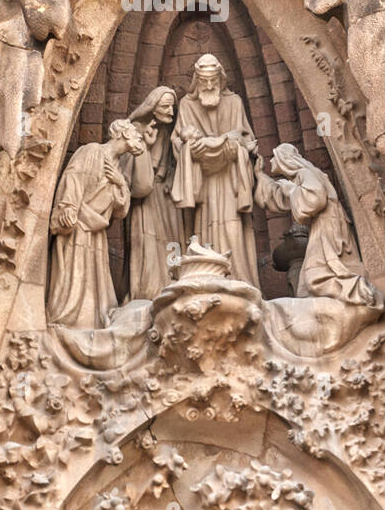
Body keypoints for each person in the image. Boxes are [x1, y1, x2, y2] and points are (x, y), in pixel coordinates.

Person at [171, 54, 259, 286]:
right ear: (196, 82)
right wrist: (190, 147)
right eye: (204, 82)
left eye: (213, 81)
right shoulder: (187, 105)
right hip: (203, 183)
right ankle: (207, 276)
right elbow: (177, 143)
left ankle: (239, 279)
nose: (209, 86)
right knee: (203, 231)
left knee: (233, 230)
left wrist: (237, 146)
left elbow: (247, 140)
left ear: (221, 79)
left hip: (230, 179)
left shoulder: (234, 102)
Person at [47, 118, 145, 326]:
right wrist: (69, 207)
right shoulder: (91, 151)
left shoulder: (119, 169)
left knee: (92, 281)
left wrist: (120, 183)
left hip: (96, 232)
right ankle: (65, 318)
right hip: (77, 226)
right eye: (136, 134)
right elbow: (73, 177)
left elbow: (120, 211)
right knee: (72, 278)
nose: (139, 139)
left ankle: (89, 322)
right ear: (123, 134)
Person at [255, 142, 376, 304]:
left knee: (316, 275)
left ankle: (361, 293)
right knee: (309, 280)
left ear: (284, 159)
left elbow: (314, 200)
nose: (270, 161)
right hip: (323, 226)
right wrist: (259, 175)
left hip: (327, 226)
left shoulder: (305, 173)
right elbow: (281, 197)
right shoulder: (302, 176)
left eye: (274, 157)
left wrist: (291, 191)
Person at [121, 86, 184, 300]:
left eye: (172, 107)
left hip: (166, 196)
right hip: (145, 197)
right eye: (166, 107)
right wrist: (145, 147)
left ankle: (172, 280)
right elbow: (126, 165)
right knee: (145, 240)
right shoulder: (135, 129)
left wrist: (171, 177)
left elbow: (173, 164)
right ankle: (146, 288)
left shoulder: (169, 132)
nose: (171, 112)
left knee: (172, 240)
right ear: (152, 106)